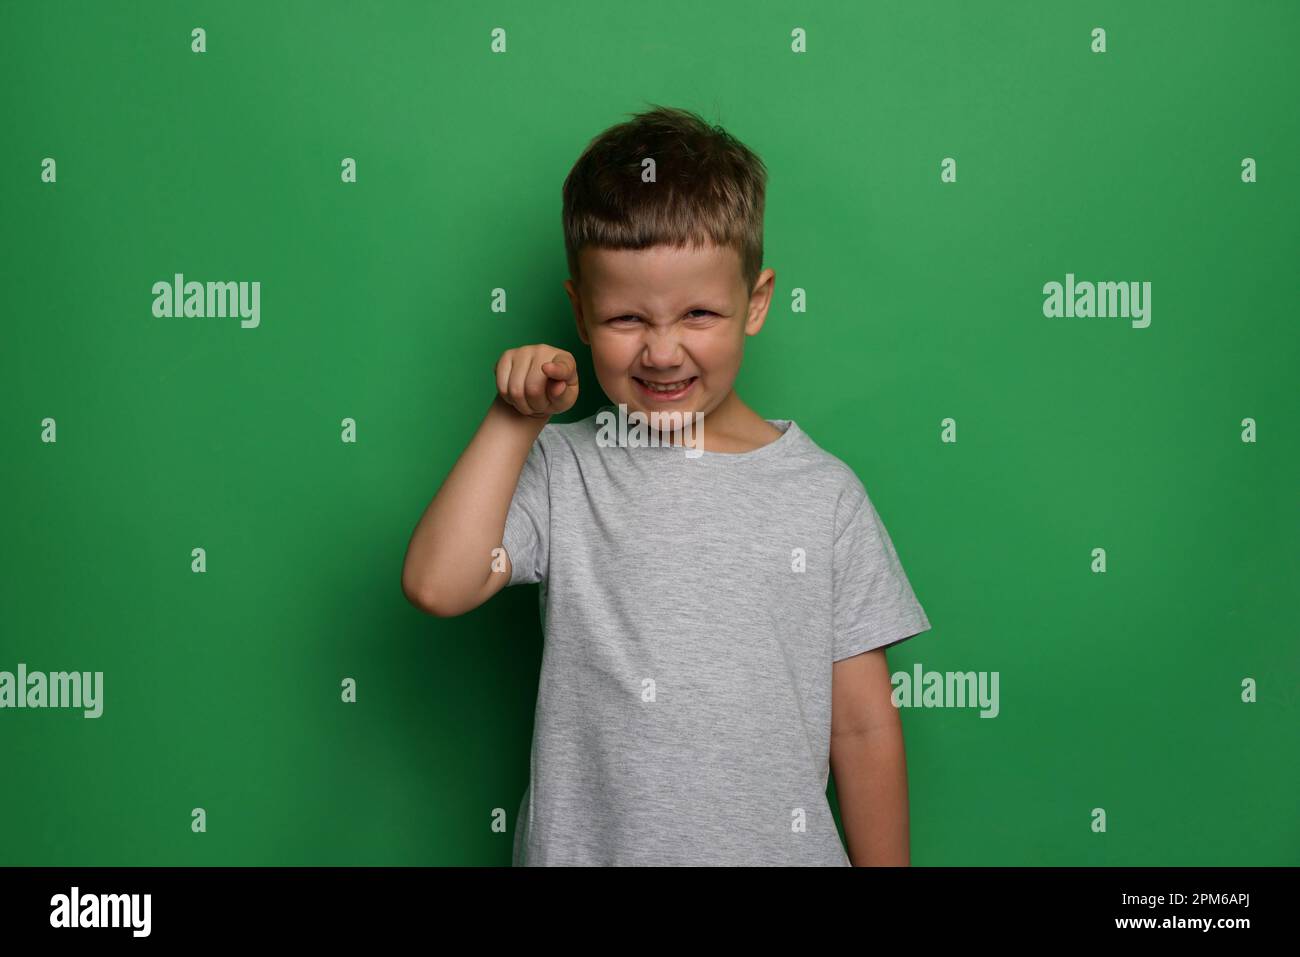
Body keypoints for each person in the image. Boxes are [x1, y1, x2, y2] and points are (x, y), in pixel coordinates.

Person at [402, 104, 932, 866]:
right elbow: (436, 583)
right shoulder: (564, 468)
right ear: (580, 312)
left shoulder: (825, 495)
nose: (661, 350)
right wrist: (513, 418)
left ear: (756, 302)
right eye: (625, 317)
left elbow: (862, 725)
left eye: (698, 313)